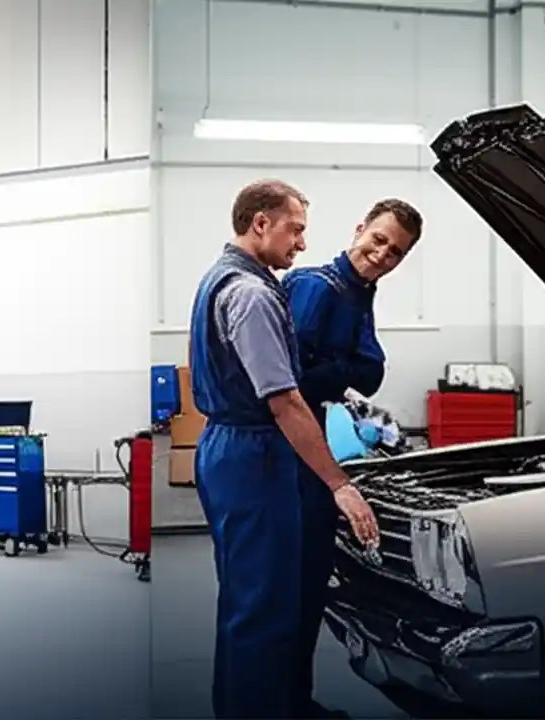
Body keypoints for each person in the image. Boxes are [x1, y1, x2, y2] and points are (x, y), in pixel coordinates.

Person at [187, 179, 381, 720]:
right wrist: (340, 484)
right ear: (260, 223)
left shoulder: (224, 278)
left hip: (235, 446)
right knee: (263, 609)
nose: (300, 245)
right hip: (253, 453)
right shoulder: (250, 295)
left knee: (250, 601)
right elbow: (286, 403)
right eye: (295, 230)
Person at [281, 197, 422, 718]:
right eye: (379, 239)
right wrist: (340, 369)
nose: (383, 254)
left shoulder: (360, 292)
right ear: (359, 227)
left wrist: (336, 368)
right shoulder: (317, 287)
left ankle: (295, 701)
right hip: (289, 448)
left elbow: (372, 372)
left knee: (311, 584)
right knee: (291, 588)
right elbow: (288, 383)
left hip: (312, 431)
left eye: (397, 253)